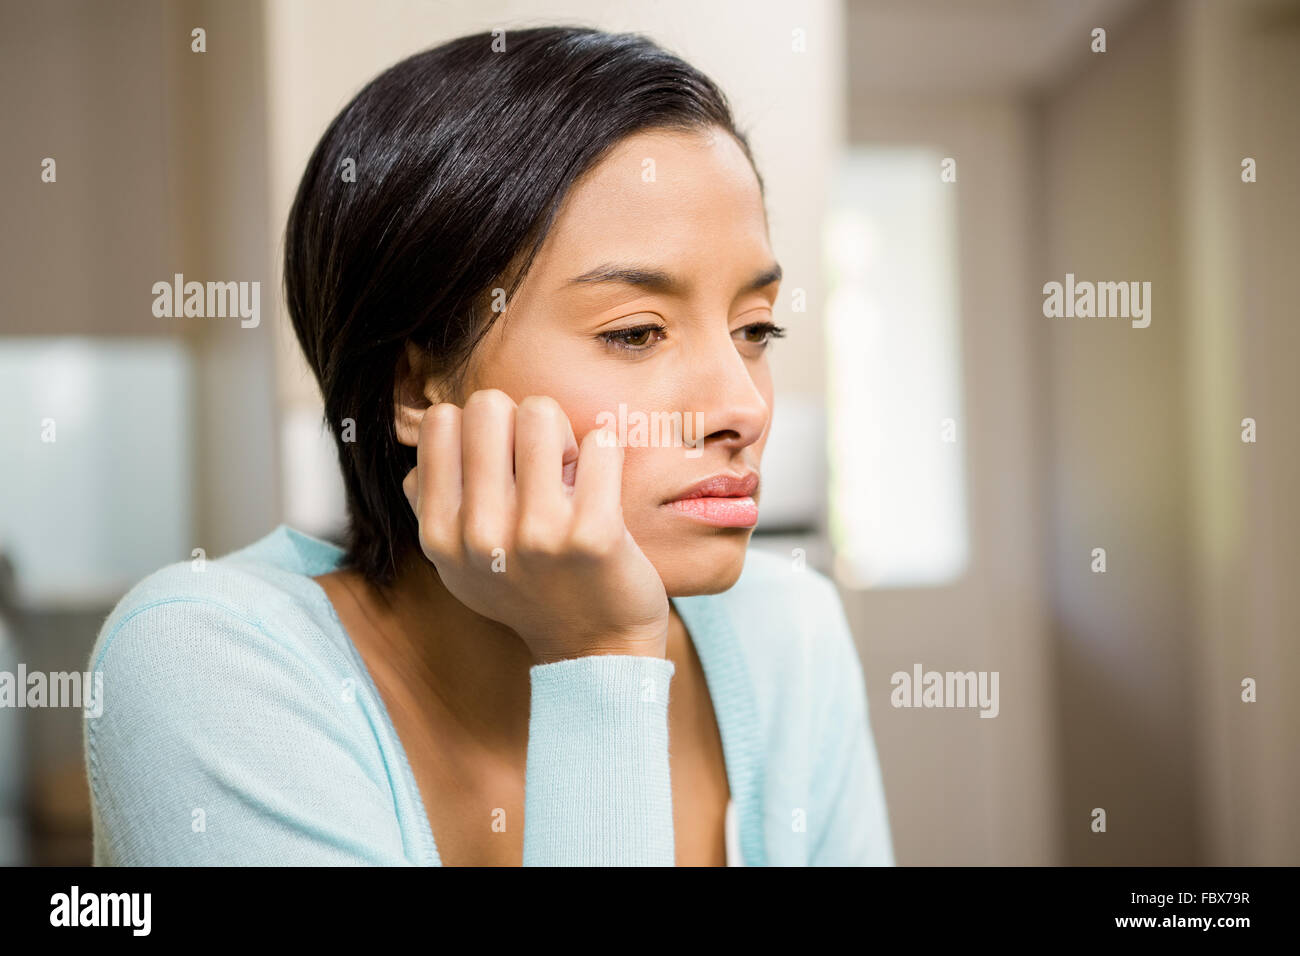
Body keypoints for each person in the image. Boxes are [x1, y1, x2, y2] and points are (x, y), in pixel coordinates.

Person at [84, 25, 894, 866]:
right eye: (636, 333)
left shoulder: (790, 633)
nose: (744, 406)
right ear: (416, 387)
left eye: (755, 327)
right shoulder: (206, 663)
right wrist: (601, 660)